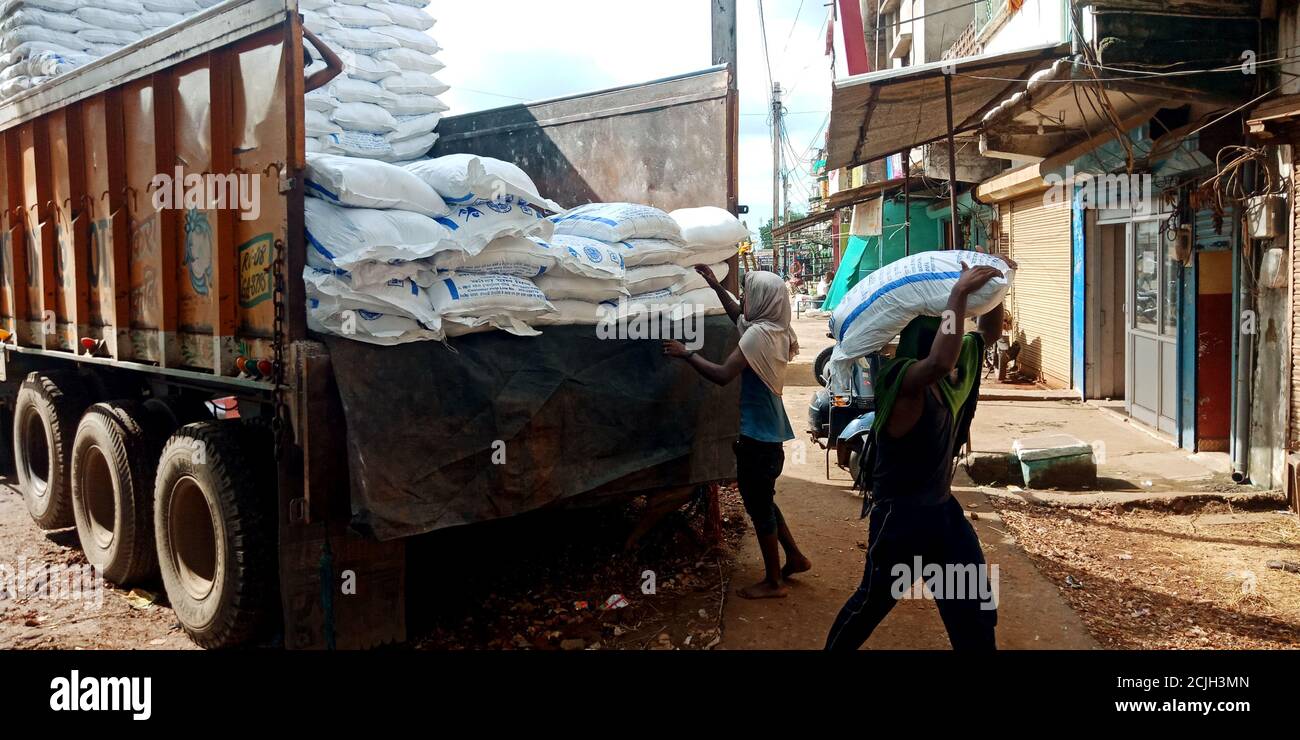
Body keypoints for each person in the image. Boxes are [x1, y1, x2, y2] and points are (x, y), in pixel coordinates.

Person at [824, 261, 1008, 650]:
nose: (960, 349)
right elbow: (940, 361)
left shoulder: (956, 373)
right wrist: (959, 293)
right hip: (901, 520)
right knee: (870, 604)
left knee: (973, 606)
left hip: (942, 513)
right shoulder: (901, 379)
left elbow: (986, 334)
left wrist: (996, 279)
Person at [663, 267, 811, 599]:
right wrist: (715, 285)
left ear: (762, 300)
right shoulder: (777, 329)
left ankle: (774, 582)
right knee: (764, 501)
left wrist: (686, 354)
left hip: (758, 438)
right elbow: (739, 318)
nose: (743, 299)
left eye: (748, 294)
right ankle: (795, 558)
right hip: (770, 434)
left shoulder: (758, 336)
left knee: (758, 507)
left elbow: (723, 375)